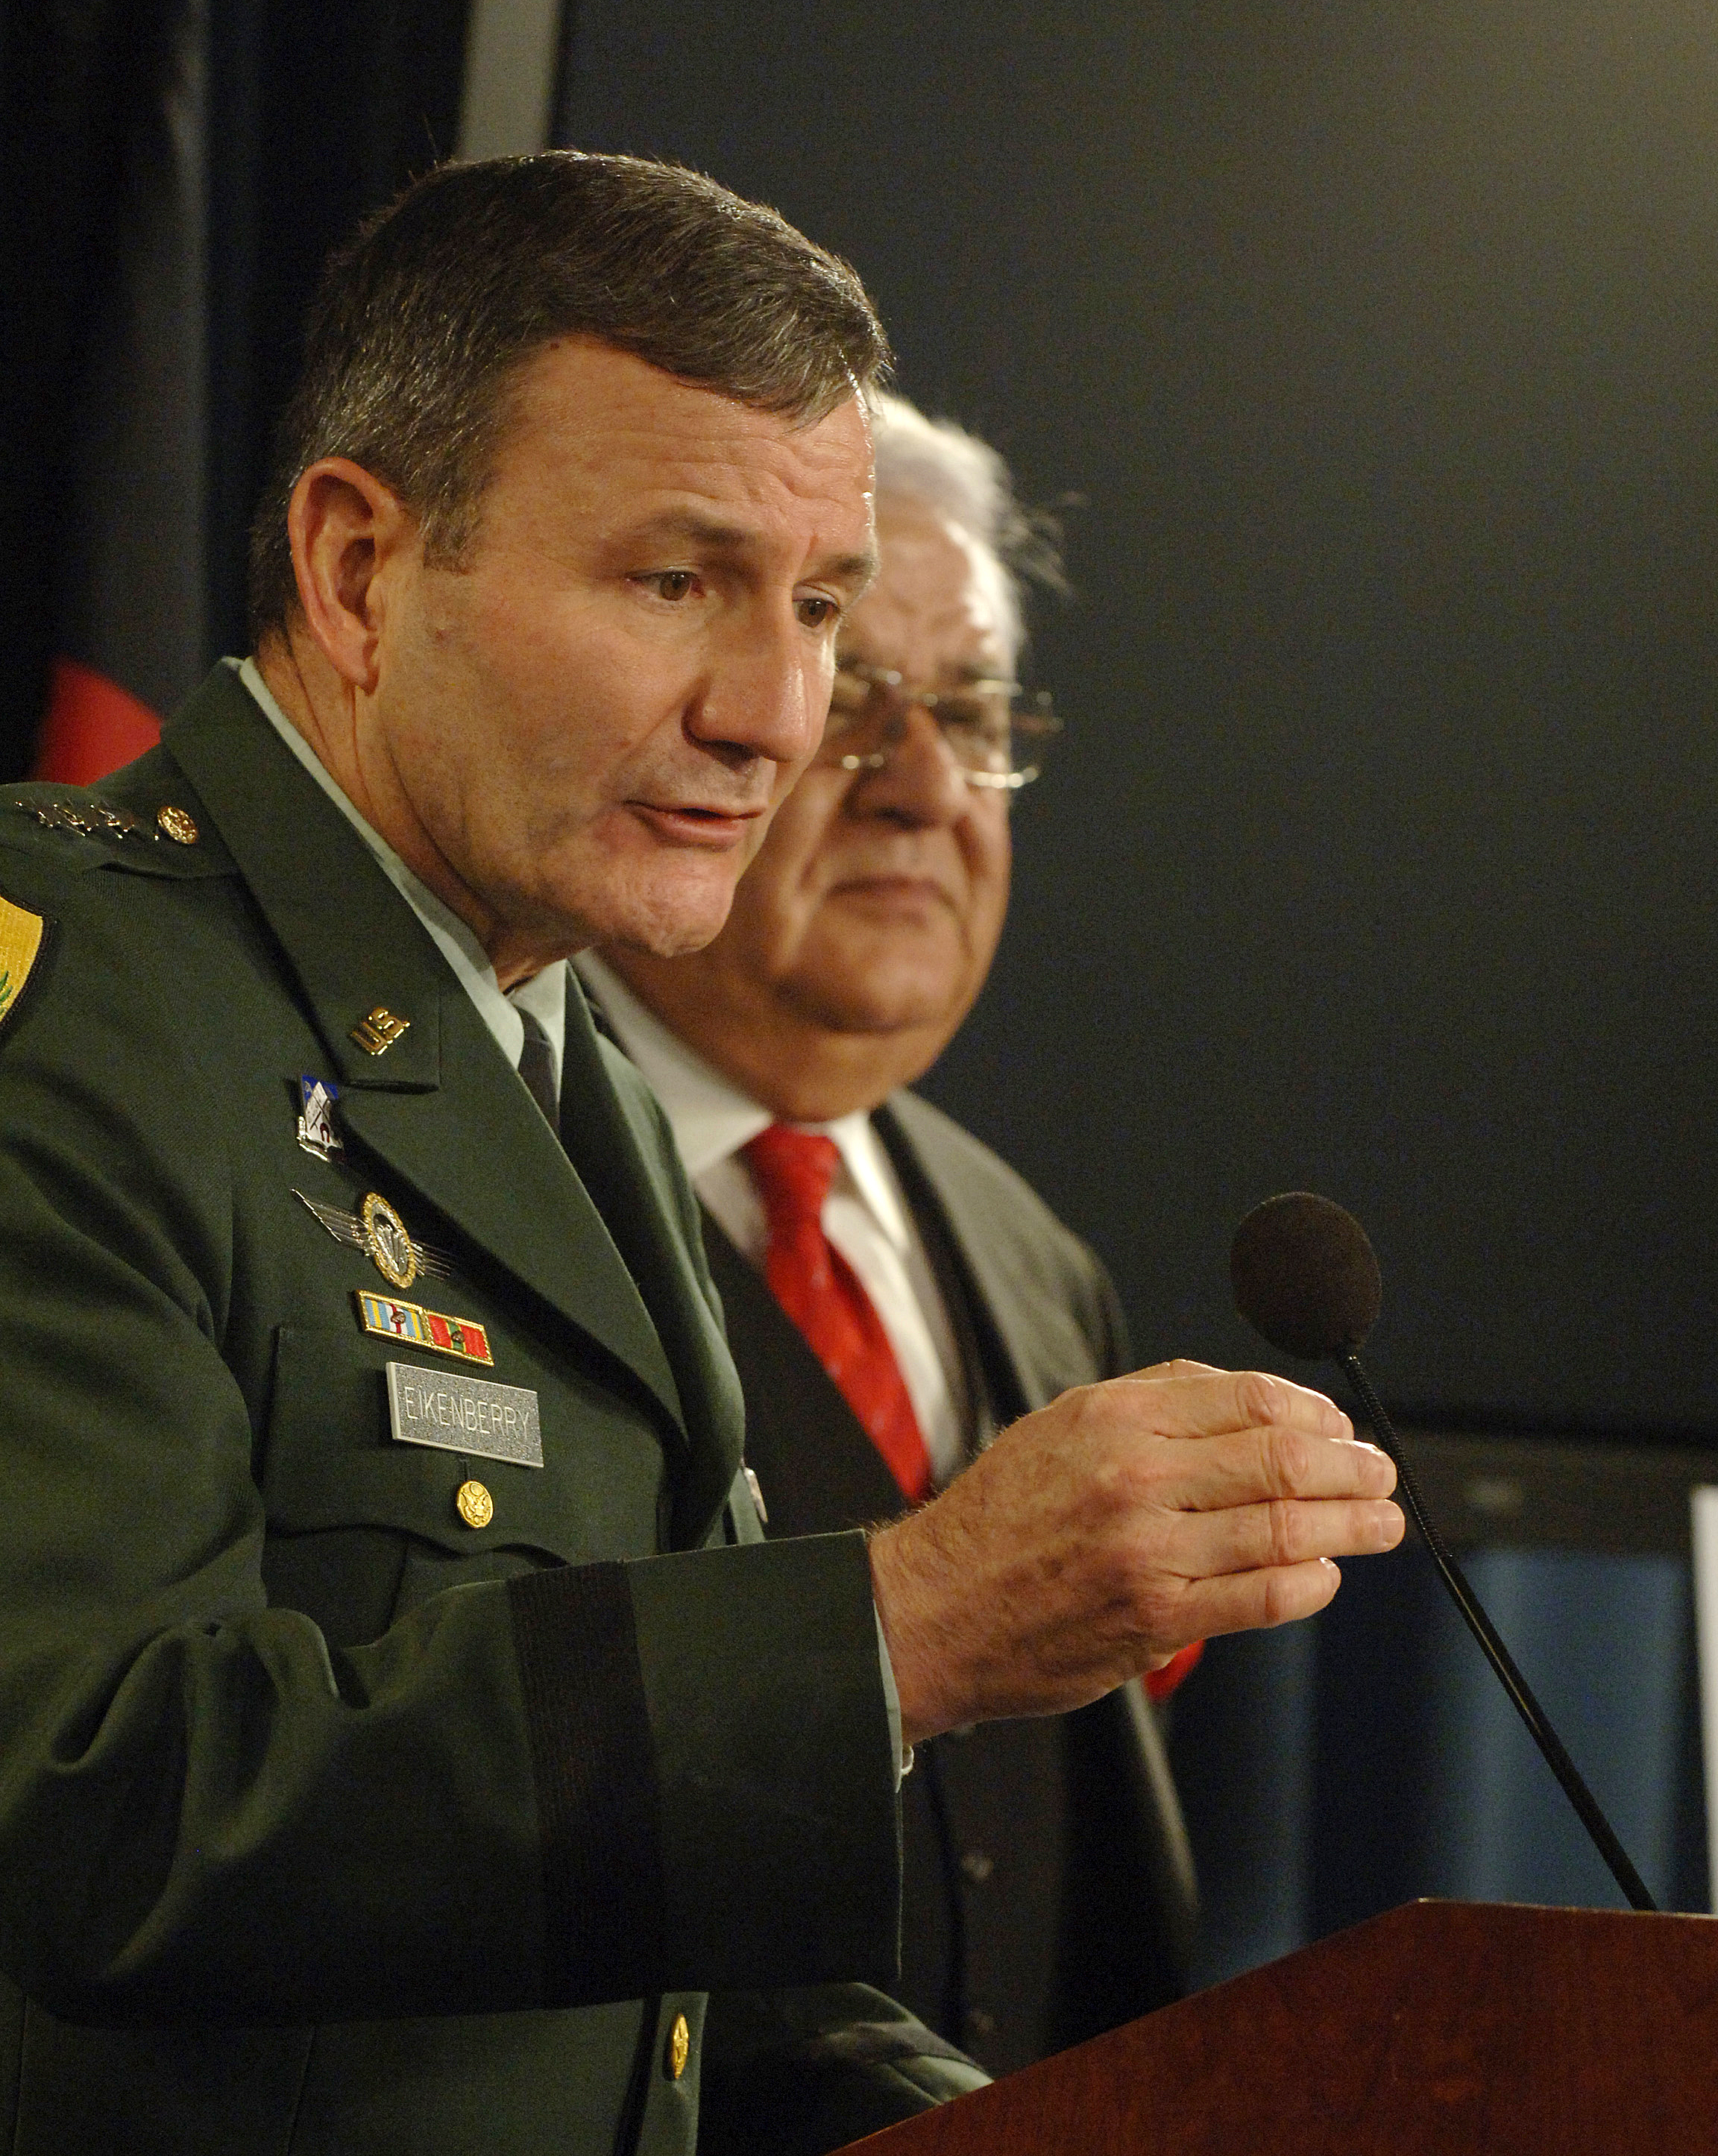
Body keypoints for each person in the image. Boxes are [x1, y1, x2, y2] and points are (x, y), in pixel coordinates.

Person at [0, 154, 1403, 2156]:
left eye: (813, 606)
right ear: (354, 568)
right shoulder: (75, 1018)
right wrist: (894, 1629)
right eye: (676, 581)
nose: (772, 712)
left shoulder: (541, 1036)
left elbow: (657, 1972)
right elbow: (89, 1808)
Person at [579, 393, 1200, 2083]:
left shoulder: (1029, 1254)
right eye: (856, 707)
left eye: (978, 713)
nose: (927, 789)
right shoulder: (484, 1159)